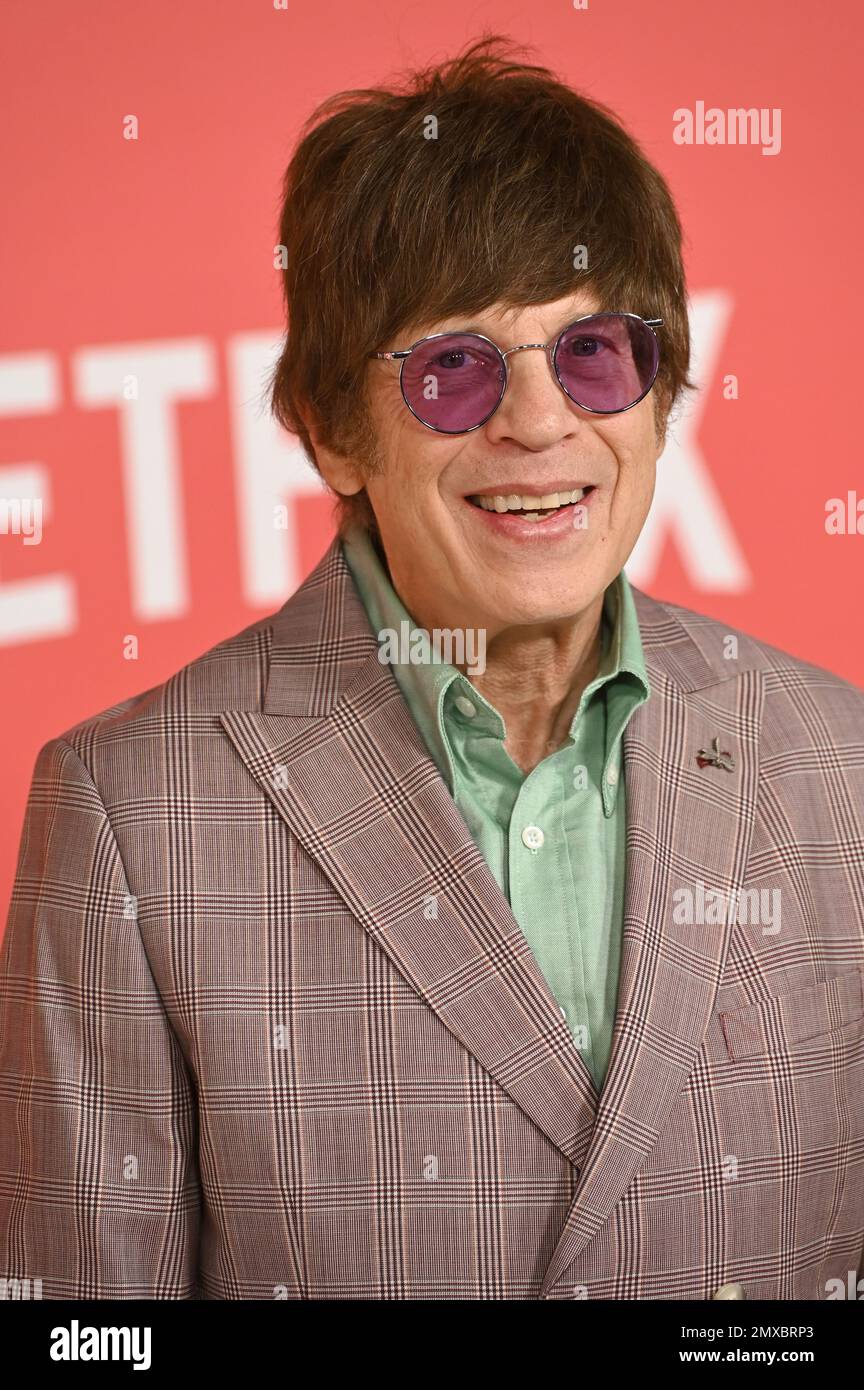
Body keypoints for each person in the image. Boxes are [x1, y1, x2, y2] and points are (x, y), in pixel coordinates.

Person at [1, 35, 862, 1301]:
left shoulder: (837, 760)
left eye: (593, 352)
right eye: (452, 369)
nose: (538, 421)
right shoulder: (132, 811)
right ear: (333, 430)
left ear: (658, 397)